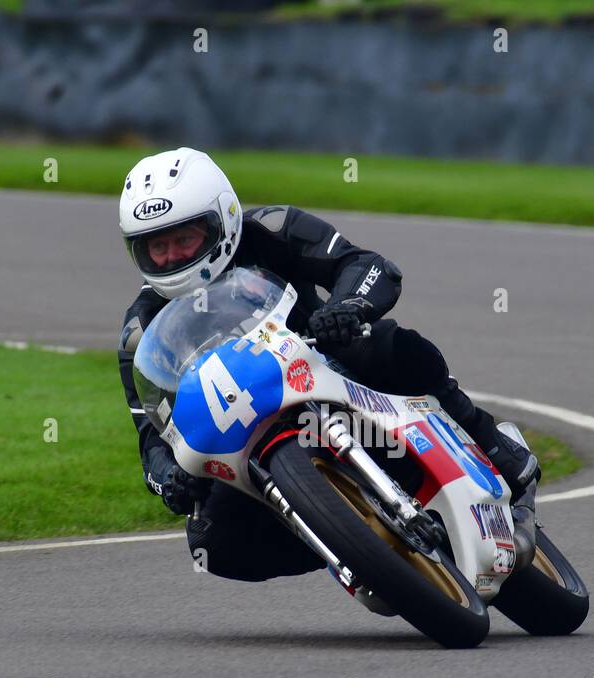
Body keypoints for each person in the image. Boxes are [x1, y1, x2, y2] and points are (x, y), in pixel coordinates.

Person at [117, 147, 537, 582]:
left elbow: (367, 265)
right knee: (213, 543)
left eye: (184, 239)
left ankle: (494, 446)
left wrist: (347, 308)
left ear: (222, 220)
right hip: (246, 436)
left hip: (327, 364)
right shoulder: (141, 332)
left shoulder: (271, 229)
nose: (170, 257)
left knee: (393, 346)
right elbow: (152, 435)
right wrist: (170, 478)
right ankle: (355, 544)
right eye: (156, 247)